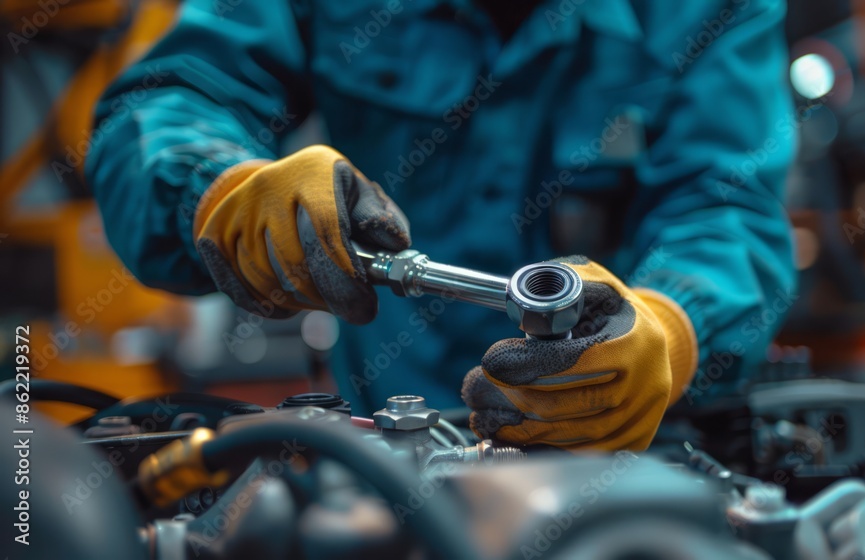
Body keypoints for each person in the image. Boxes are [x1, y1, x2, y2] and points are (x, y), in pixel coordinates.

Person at [85, 0, 797, 452]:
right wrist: (220, 188)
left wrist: (671, 330)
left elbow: (727, 207)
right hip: (385, 445)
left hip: (619, 451)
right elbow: (170, 99)